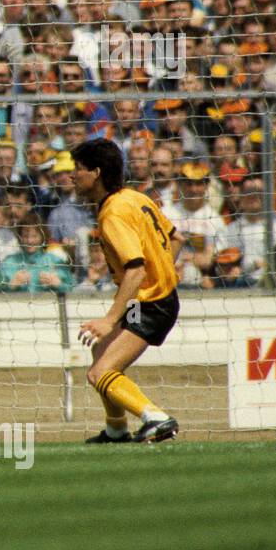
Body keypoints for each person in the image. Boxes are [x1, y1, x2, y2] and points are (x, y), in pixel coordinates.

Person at [71, 138, 181, 444]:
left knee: (98, 373)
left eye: (77, 169)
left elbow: (135, 270)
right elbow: (177, 238)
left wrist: (109, 319)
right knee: (100, 352)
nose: (72, 175)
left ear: (95, 172)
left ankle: (156, 417)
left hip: (151, 305)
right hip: (156, 299)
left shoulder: (113, 214)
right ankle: (116, 431)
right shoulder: (135, 198)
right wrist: (163, 273)